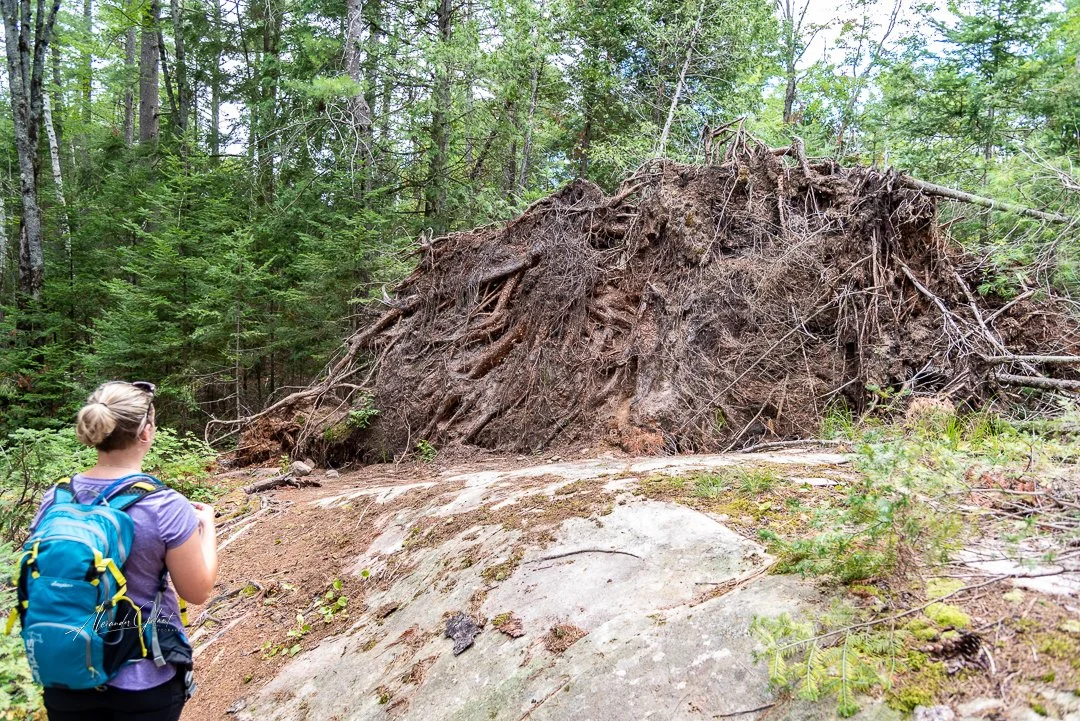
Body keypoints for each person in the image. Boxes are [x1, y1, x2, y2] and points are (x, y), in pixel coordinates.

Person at [28, 381, 219, 721]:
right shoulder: (163, 505)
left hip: (66, 676)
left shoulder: (57, 498)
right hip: (143, 681)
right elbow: (198, 590)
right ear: (146, 433)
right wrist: (208, 528)